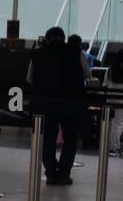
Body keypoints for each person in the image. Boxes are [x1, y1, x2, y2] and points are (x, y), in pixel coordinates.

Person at [27, 27, 87, 185]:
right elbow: (87, 74)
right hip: (70, 102)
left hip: (45, 103)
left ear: (47, 39)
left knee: (47, 138)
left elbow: (30, 78)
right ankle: (63, 174)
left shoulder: (38, 53)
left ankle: (51, 172)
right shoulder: (75, 51)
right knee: (70, 139)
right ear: (63, 38)